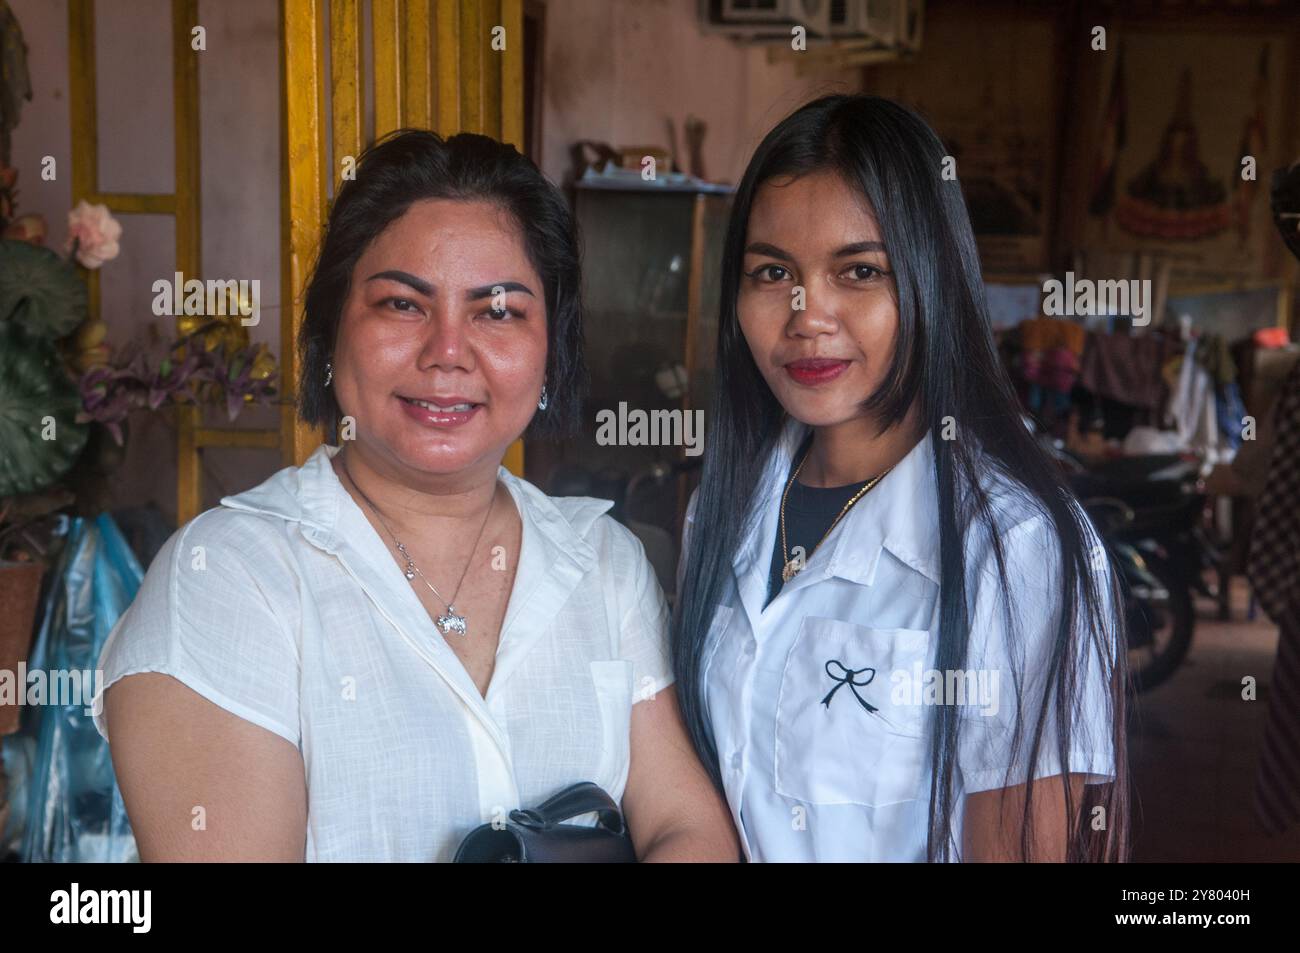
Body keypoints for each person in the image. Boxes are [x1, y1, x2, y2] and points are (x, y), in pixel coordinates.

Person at [93, 129, 738, 862]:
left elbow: (689, 828)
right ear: (332, 329)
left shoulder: (603, 563)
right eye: (403, 304)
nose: (447, 351)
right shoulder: (230, 580)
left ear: (551, 347)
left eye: (498, 311)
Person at [671, 95, 1129, 862]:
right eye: (772, 271)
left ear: (931, 280)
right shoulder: (724, 515)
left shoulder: (1018, 548)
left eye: (858, 271)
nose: (807, 313)